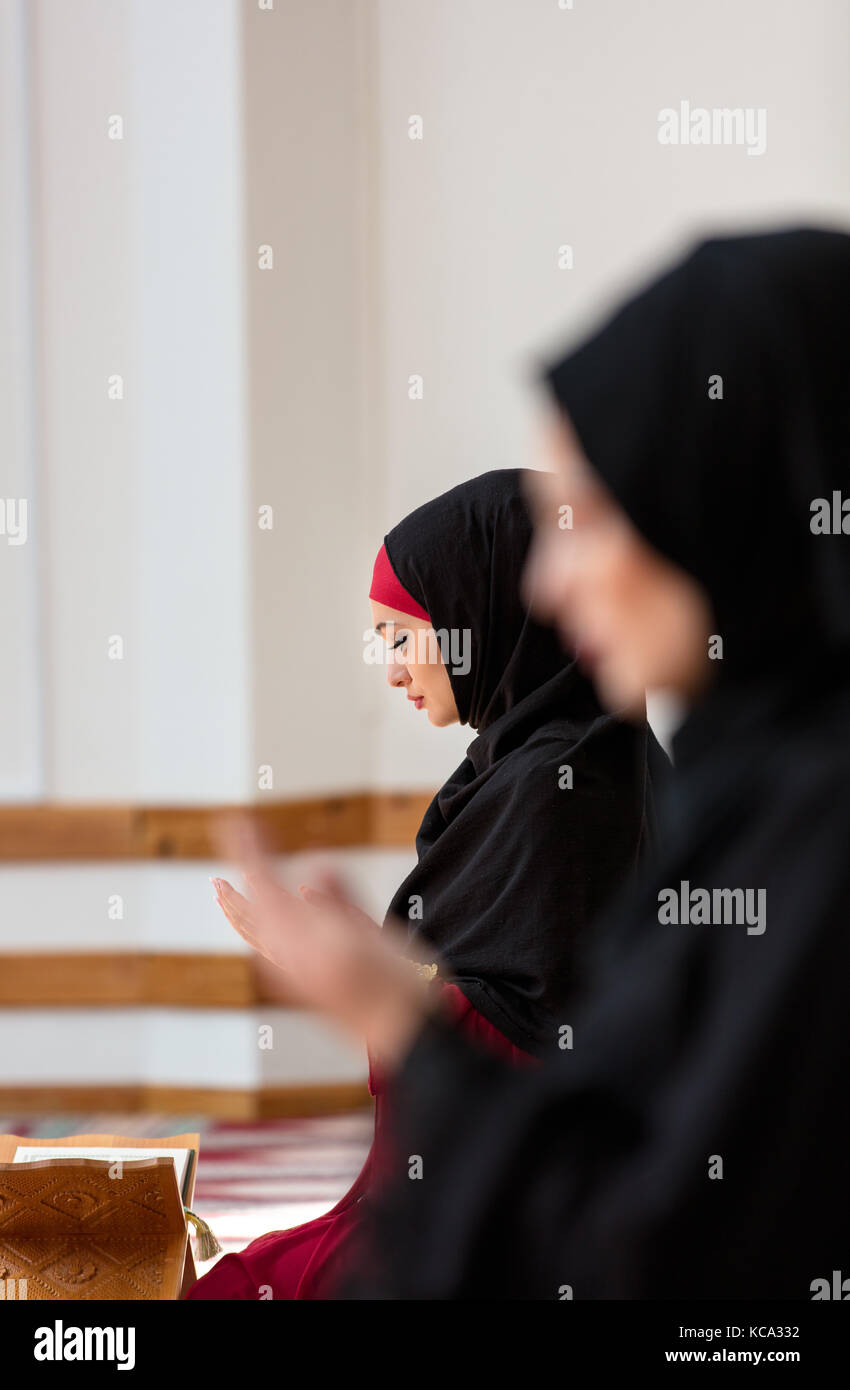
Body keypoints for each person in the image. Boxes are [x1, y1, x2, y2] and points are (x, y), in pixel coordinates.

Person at [187, 468, 665, 1300]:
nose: (392, 671)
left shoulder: (558, 791)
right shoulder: (546, 763)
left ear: (479, 615)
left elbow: (537, 1052)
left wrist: (373, 981)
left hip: (516, 1216)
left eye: (402, 636)